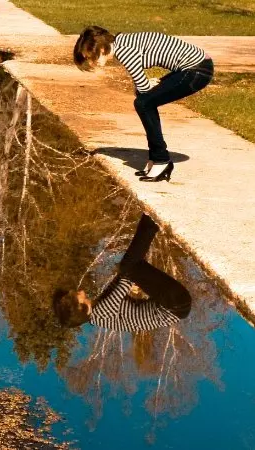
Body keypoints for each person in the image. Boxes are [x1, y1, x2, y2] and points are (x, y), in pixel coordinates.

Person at [73, 26, 214, 182]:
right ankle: (156, 159)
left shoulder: (124, 51)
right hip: (196, 67)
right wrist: (145, 85)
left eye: (91, 57)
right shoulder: (122, 42)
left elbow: (143, 88)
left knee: (143, 103)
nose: (91, 63)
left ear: (101, 47)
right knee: (144, 101)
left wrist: (146, 85)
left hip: (197, 70)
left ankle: (161, 160)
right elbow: (142, 87)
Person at [52, 214, 192, 331]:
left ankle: (150, 221)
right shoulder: (101, 312)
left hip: (173, 303)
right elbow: (126, 280)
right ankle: (151, 221)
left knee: (129, 266)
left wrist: (130, 276)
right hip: (174, 304)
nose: (73, 291)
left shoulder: (98, 312)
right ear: (80, 307)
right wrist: (130, 277)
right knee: (128, 267)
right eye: (73, 295)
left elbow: (119, 281)